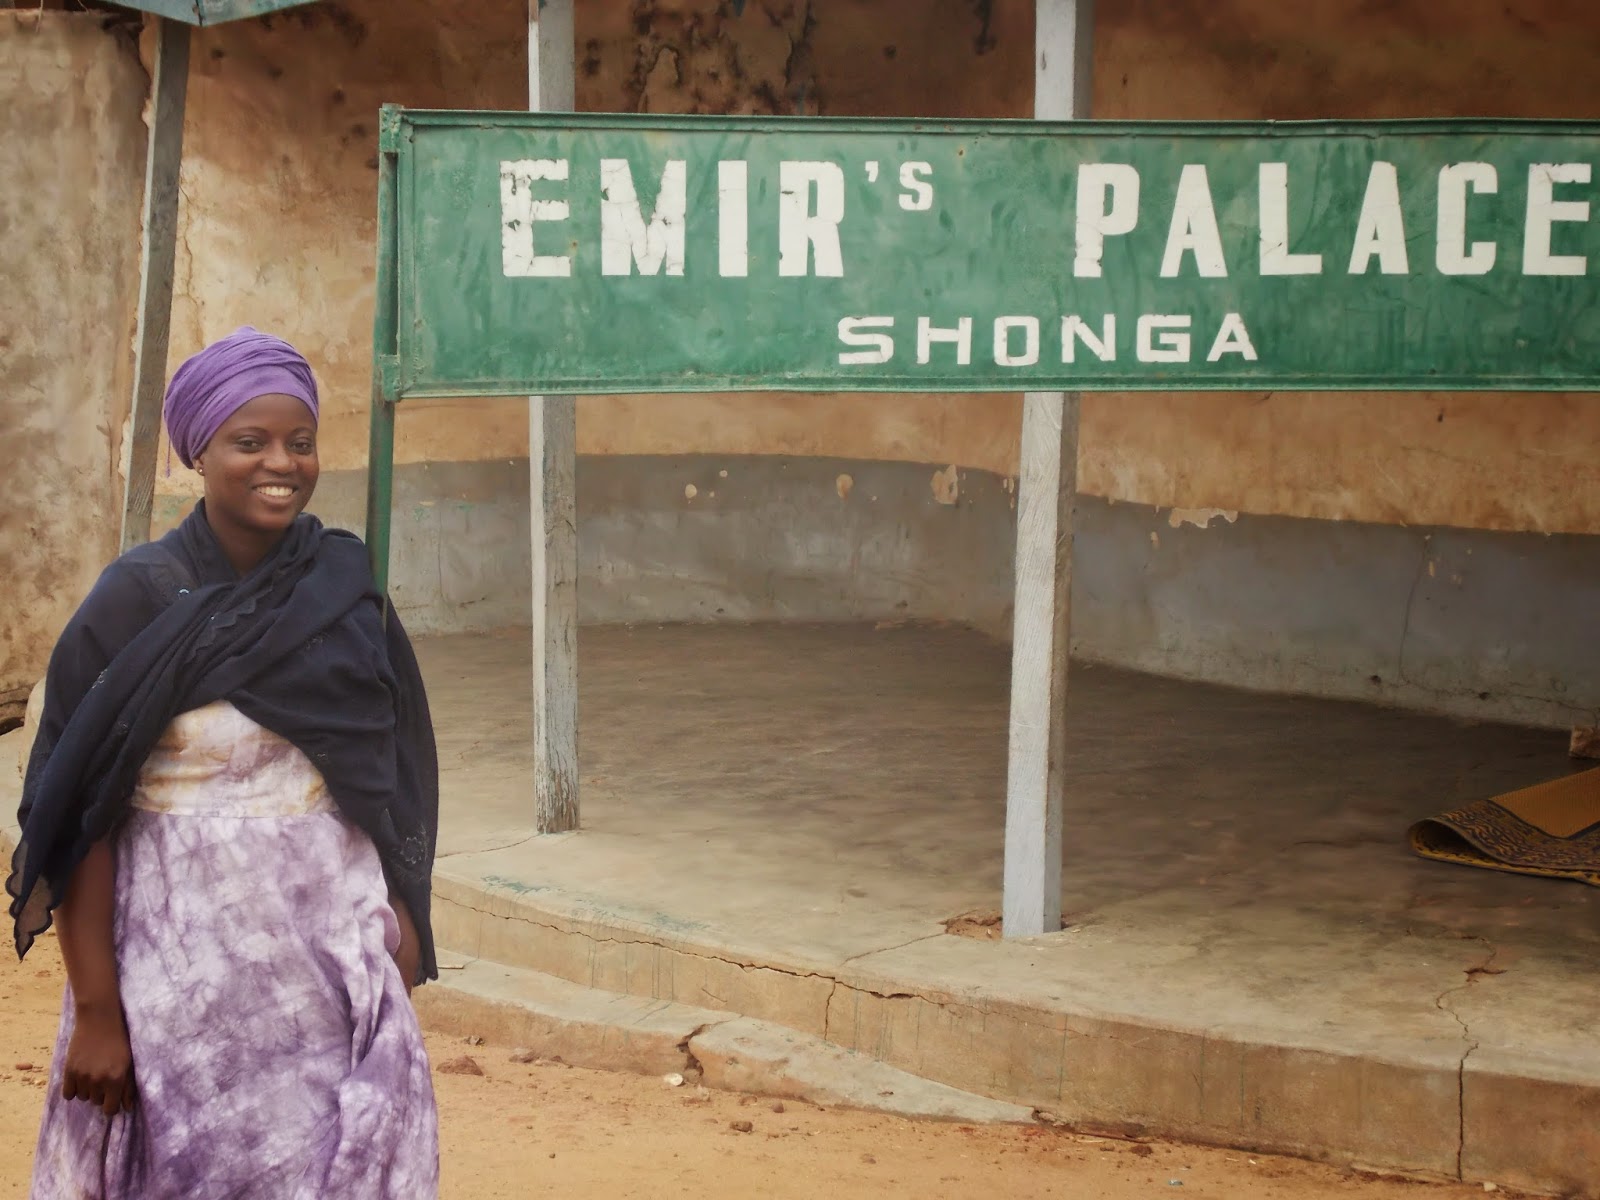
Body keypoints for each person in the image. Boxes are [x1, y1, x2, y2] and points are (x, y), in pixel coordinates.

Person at [6, 327, 441, 1198]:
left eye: (300, 441)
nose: (281, 462)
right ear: (199, 454)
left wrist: (405, 909)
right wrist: (98, 1009)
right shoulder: (134, 598)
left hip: (324, 967)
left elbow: (393, 770)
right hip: (176, 975)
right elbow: (81, 809)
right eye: (250, 443)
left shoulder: (346, 589)